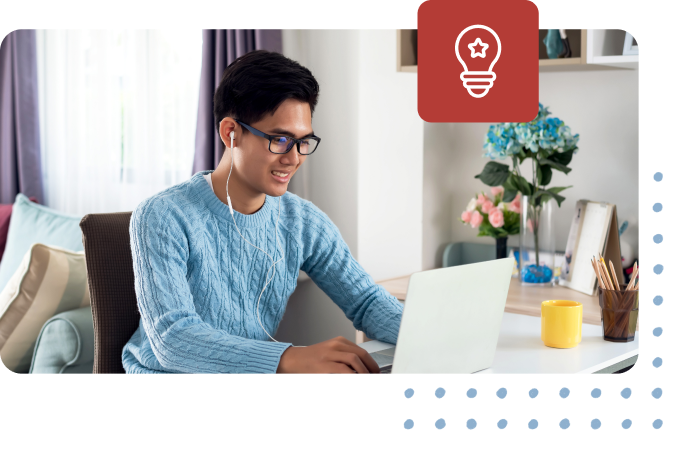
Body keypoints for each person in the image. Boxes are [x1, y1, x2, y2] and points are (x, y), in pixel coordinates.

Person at [122, 50, 403, 374]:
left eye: (303, 141)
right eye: (280, 139)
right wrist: (288, 358)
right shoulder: (162, 216)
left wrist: (433, 337)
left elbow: (366, 302)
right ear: (231, 132)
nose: (294, 157)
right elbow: (173, 340)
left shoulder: (302, 221)